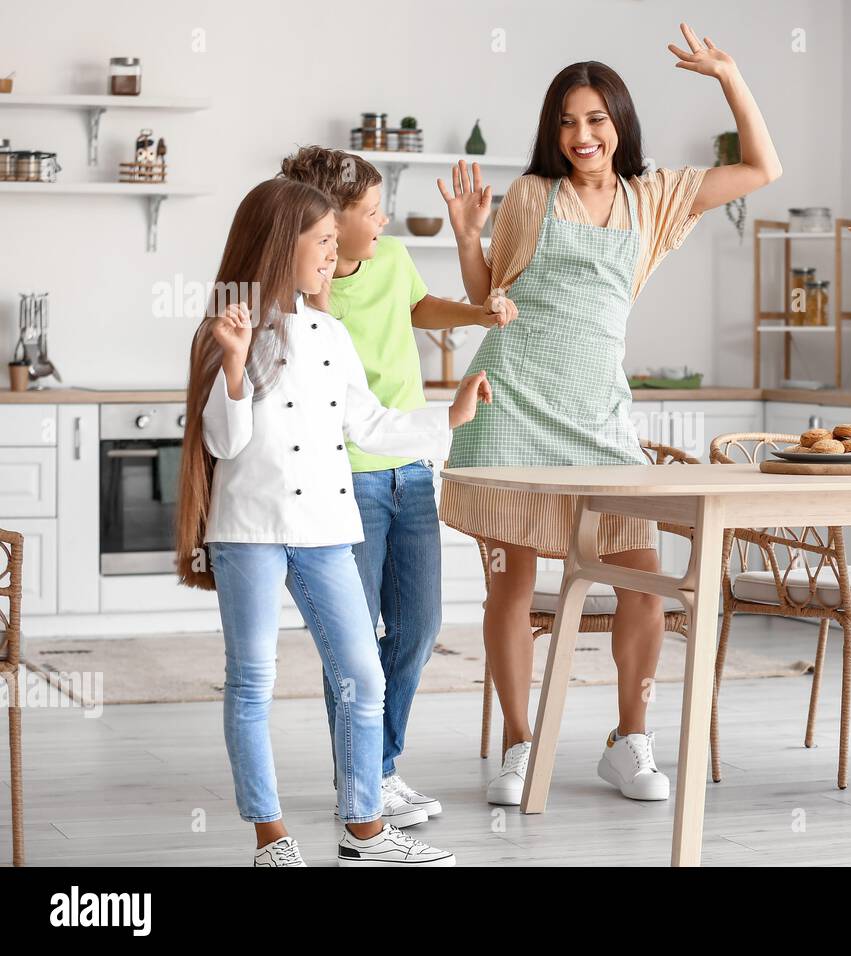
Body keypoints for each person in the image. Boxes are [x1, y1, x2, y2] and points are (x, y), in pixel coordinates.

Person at [438, 22, 782, 805]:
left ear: (619, 123)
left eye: (594, 119)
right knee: (512, 589)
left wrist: (729, 74)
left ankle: (630, 741)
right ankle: (521, 747)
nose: (581, 134)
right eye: (566, 120)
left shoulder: (655, 198)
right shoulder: (532, 195)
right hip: (512, 404)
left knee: (645, 584)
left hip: (599, 417)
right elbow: (489, 293)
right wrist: (467, 239)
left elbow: (764, 166)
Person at [175, 178, 490, 865]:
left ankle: (365, 828)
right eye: (321, 241)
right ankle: (271, 837)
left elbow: (368, 423)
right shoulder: (227, 330)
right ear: (280, 243)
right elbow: (223, 445)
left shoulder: (329, 332)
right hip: (249, 531)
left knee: (362, 676)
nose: (333, 252)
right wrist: (232, 365)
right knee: (252, 679)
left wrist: (451, 416)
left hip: (325, 530)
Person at [280, 147, 517, 827]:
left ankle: (378, 768)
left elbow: (420, 308)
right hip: (345, 477)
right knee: (354, 639)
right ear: (328, 219)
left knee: (417, 627)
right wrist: (320, 298)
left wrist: (478, 315)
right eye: (372, 210)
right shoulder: (301, 293)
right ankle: (361, 782)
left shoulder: (391, 262)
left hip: (410, 467)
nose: (384, 219)